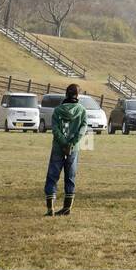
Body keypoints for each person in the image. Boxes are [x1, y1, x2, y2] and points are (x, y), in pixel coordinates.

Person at [44, 82, 87, 217]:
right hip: (73, 149)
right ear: (78, 95)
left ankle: (50, 208)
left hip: (58, 147)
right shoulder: (82, 110)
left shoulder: (57, 110)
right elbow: (82, 130)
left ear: (66, 94)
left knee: (52, 176)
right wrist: (71, 144)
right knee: (70, 177)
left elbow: (55, 129)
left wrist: (63, 142)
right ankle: (67, 208)